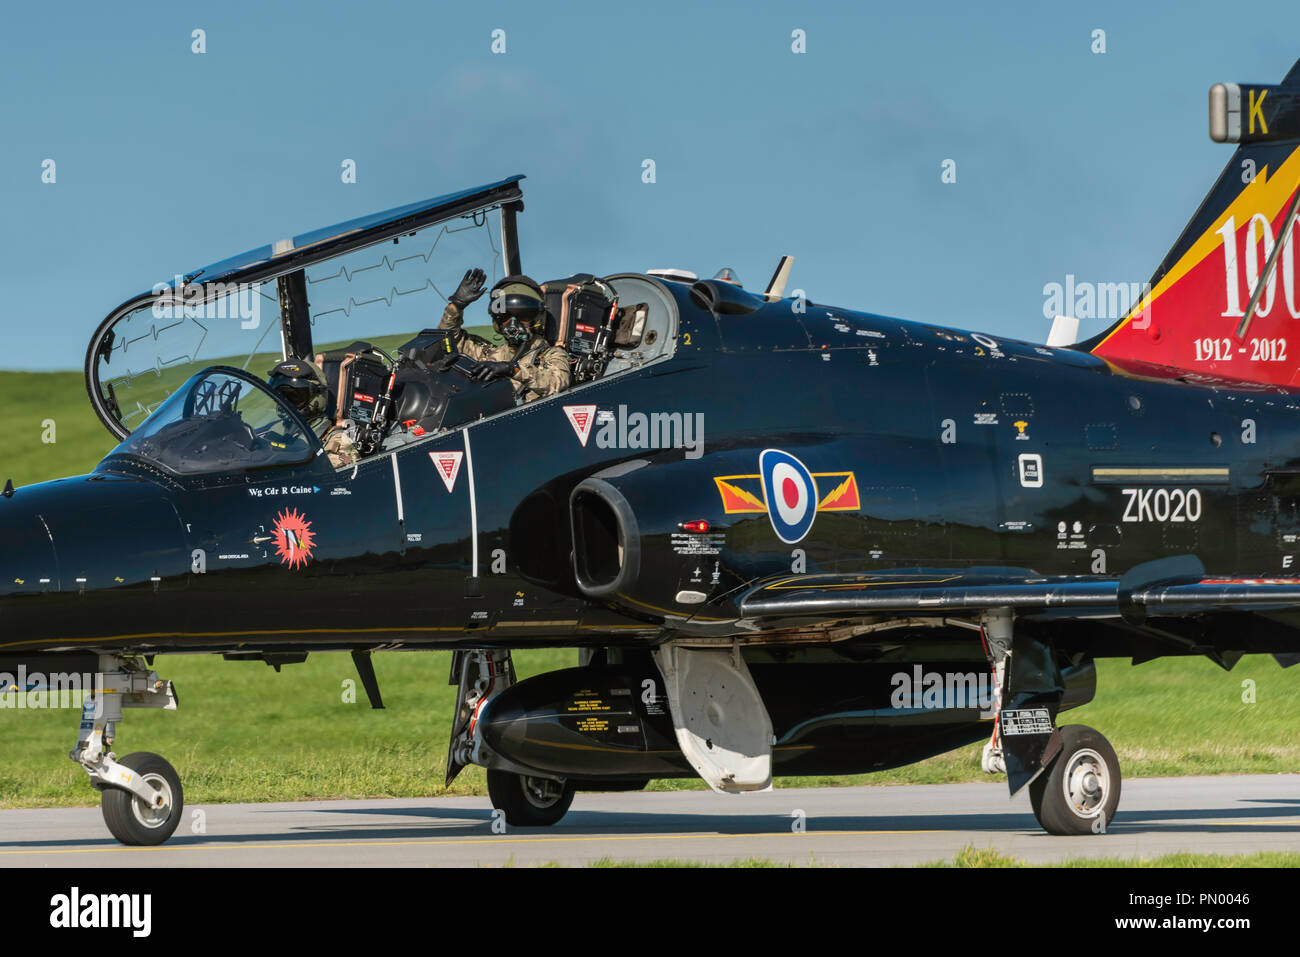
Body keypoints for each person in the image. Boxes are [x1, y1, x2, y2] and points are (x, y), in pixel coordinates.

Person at [439, 269, 570, 402]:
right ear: (498, 322)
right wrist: (456, 306)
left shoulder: (551, 355)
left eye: (523, 316)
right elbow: (446, 340)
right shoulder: (488, 355)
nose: (513, 324)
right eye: (505, 317)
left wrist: (513, 370)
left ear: (537, 319)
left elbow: (558, 382)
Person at [266, 358, 356, 468]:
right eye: (280, 396)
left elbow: (351, 472)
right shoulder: (275, 430)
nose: (286, 404)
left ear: (317, 396)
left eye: (294, 397)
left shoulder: (337, 440)